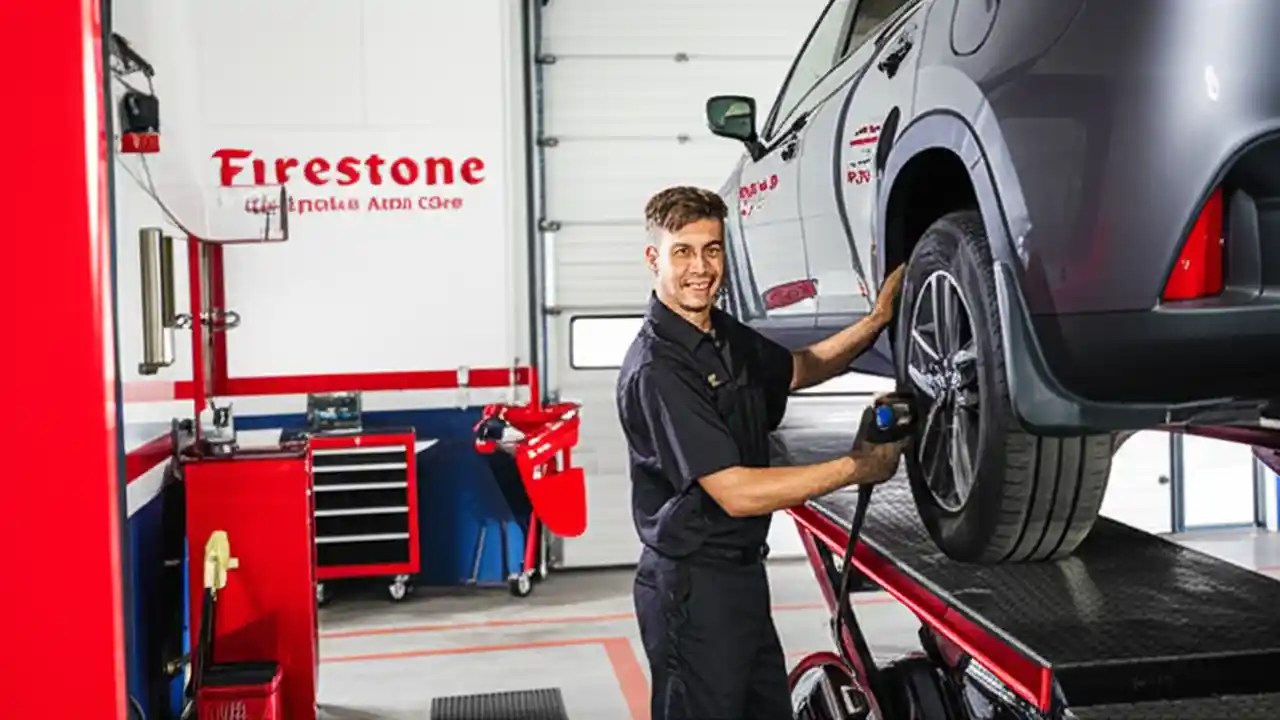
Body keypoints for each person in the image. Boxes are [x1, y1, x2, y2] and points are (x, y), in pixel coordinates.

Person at [615, 185, 907, 720]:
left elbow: (799, 368)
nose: (700, 267)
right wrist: (858, 466)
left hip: (741, 576)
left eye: (712, 249)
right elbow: (737, 492)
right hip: (692, 589)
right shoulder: (661, 368)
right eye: (682, 251)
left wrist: (875, 323)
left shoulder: (723, 335)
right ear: (653, 258)